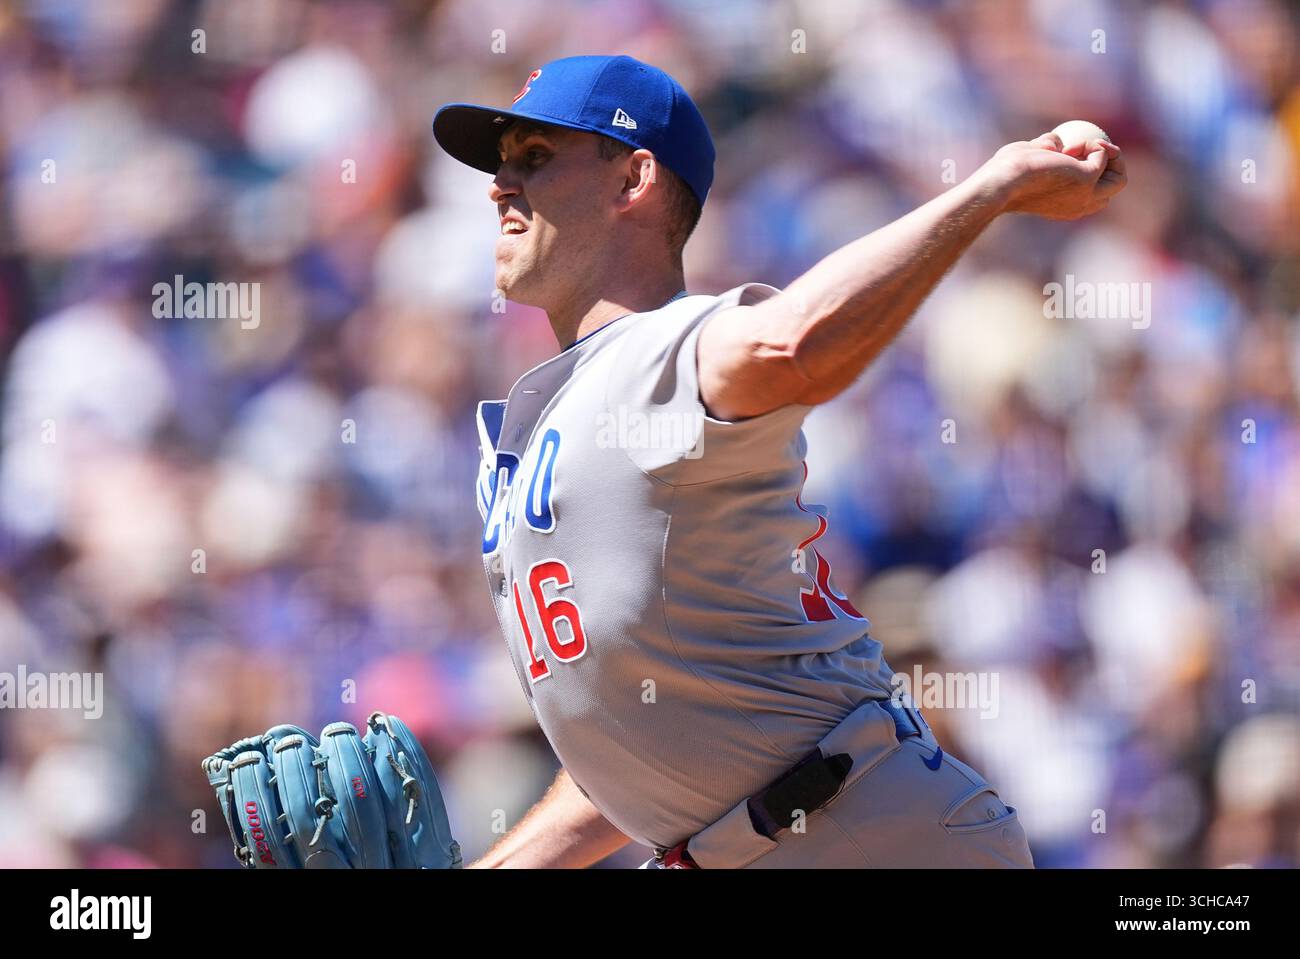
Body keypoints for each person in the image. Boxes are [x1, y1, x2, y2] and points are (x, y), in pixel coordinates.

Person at [432, 54, 1126, 868]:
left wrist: (994, 186)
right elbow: (628, 757)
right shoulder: (547, 420)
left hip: (866, 833)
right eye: (504, 162)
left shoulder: (663, 347)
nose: (498, 186)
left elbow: (794, 344)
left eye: (535, 158)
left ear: (634, 180)